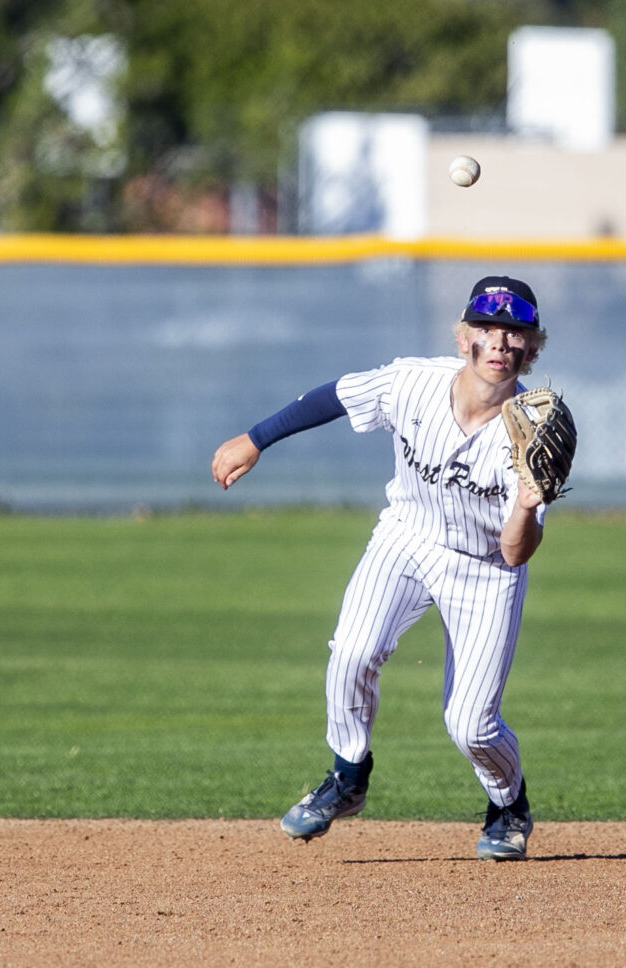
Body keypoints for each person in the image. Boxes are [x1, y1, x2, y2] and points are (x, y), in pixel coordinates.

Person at [211, 276, 552, 861]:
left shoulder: (532, 430)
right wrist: (256, 439)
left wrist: (526, 502)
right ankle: (347, 776)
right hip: (407, 536)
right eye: (488, 329)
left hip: (487, 568)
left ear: (531, 349)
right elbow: (334, 397)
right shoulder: (412, 383)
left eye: (515, 333)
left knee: (471, 725)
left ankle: (508, 805)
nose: (500, 343)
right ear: (464, 337)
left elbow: (518, 552)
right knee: (352, 651)